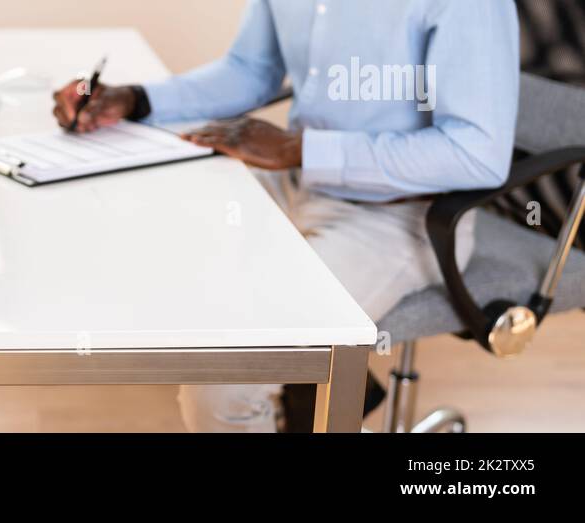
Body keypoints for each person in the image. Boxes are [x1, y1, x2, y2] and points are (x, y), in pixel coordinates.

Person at [52, 0, 519, 432]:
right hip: (300, 179)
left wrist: (299, 148)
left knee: (220, 382)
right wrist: (136, 100)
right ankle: (314, 387)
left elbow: (477, 154)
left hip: (403, 216)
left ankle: (303, 382)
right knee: (136, 230)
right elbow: (250, 70)